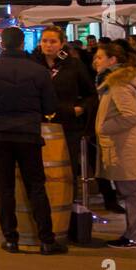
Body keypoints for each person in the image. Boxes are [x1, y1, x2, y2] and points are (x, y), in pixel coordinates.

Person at [0, 26, 66, 255]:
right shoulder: (38, 71)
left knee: (4, 188)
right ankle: (46, 240)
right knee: (36, 186)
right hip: (28, 134)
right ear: (23, 44)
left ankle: (11, 239)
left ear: (2, 44)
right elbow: (50, 106)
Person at [92, 43, 136, 248]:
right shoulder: (115, 82)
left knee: (132, 194)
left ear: (112, 61)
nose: (95, 61)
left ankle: (135, 237)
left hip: (126, 147)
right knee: (131, 193)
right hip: (124, 146)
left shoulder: (118, 84)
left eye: (100, 57)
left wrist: (103, 128)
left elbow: (130, 116)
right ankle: (133, 235)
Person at [32, 25, 96, 200]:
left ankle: (68, 206)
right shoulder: (33, 63)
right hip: (38, 124)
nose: (48, 45)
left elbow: (90, 94)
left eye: (53, 41)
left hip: (68, 123)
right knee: (39, 169)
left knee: (67, 169)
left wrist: (80, 108)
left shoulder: (72, 64)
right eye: (45, 41)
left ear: (62, 43)